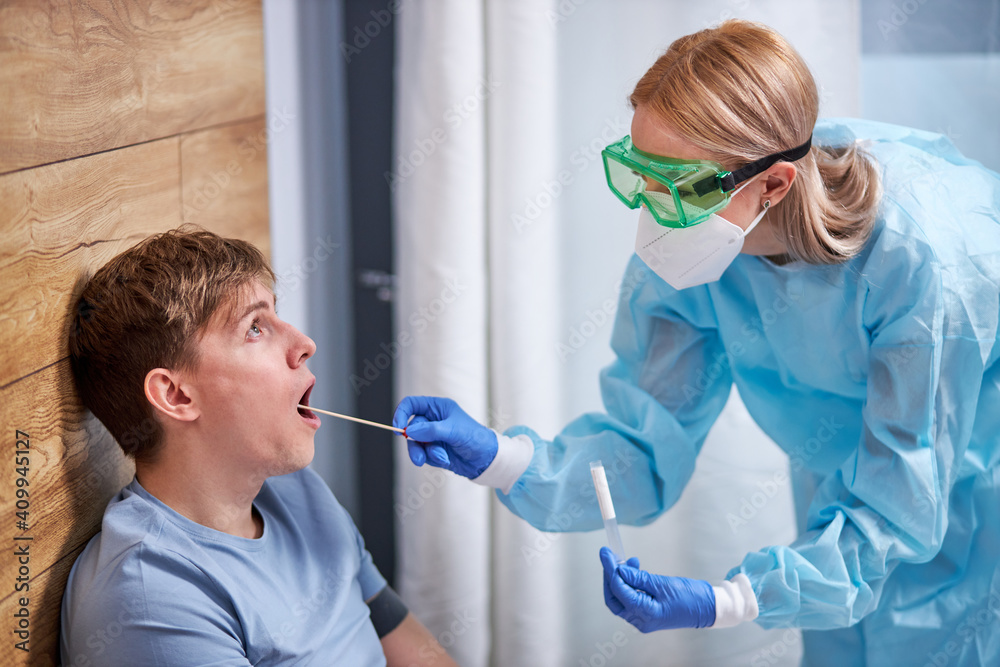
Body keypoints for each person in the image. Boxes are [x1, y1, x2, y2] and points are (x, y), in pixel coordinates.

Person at [392, 19, 1000, 666]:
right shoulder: (705, 251)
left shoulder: (926, 261)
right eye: (640, 179)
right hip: (842, 488)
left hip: (968, 489)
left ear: (772, 184)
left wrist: (730, 600)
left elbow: (901, 503)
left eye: (677, 190)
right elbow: (646, 437)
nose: (654, 215)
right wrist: (503, 456)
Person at [62, 228, 457, 667]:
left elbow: (406, 641)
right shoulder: (149, 599)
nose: (305, 344)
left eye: (275, 316)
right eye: (254, 328)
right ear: (175, 396)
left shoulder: (298, 492)